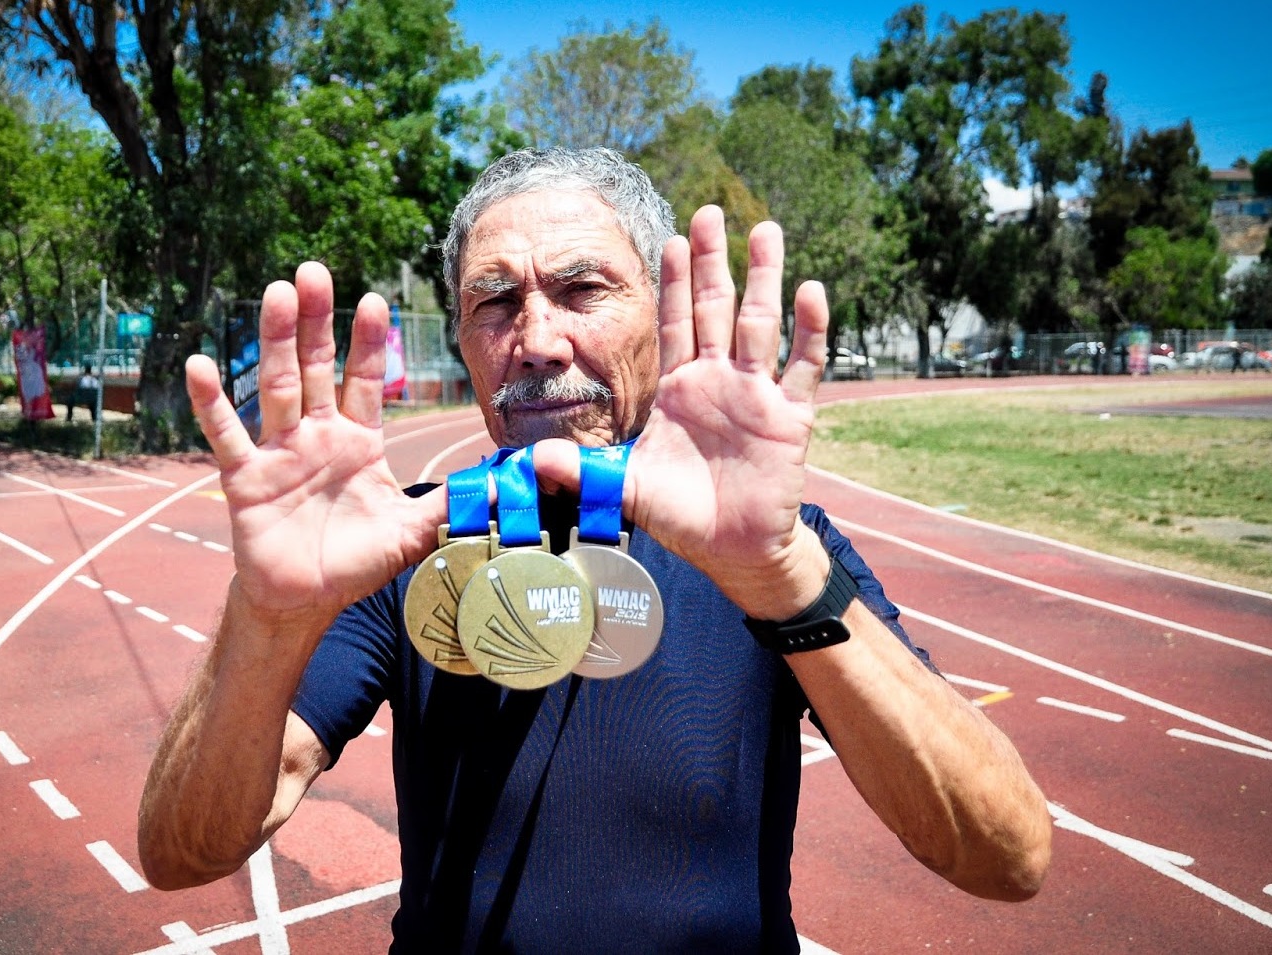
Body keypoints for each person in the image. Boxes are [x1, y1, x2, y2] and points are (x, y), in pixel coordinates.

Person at [139, 148, 1051, 951]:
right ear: (461, 338)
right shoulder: (395, 547)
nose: (535, 340)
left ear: (659, 314)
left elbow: (1007, 858)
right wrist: (265, 615)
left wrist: (782, 581)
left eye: (581, 290)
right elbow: (184, 851)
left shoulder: (776, 550)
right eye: (494, 302)